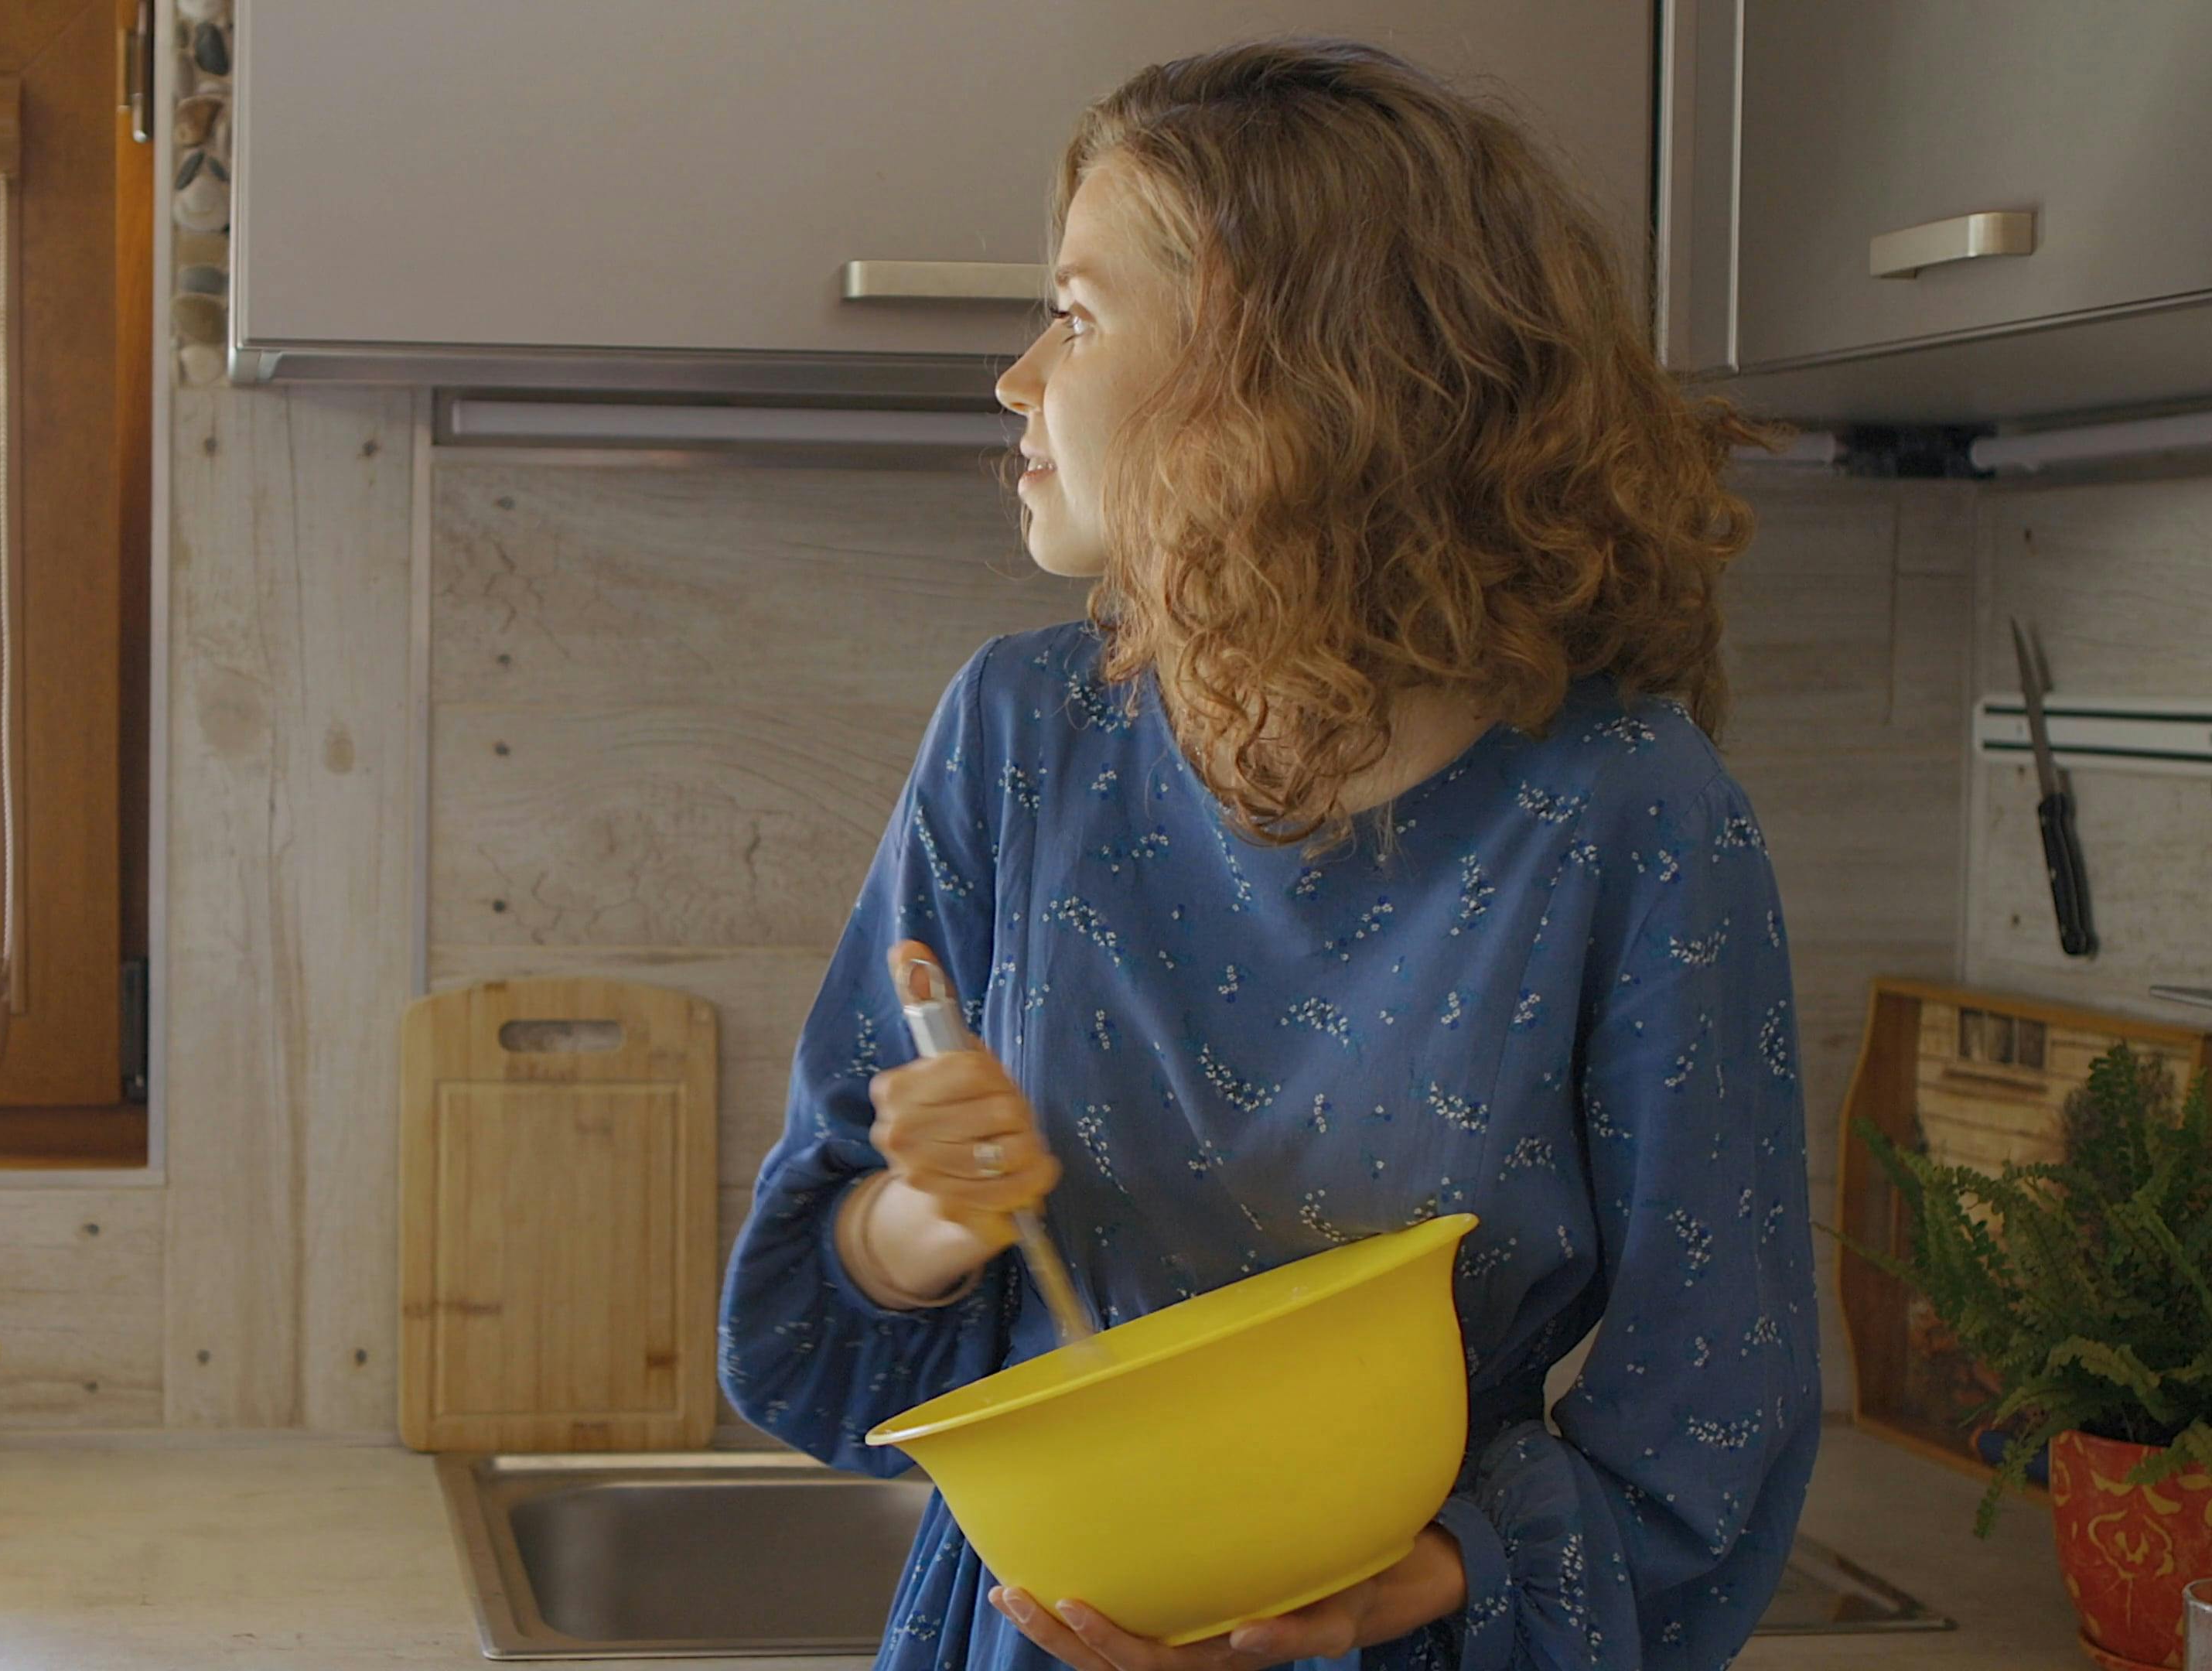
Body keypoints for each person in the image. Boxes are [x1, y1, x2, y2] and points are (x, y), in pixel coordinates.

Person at [720, 37, 1818, 1671]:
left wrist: (1404, 1589)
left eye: (1078, 317)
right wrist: (934, 1212)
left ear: (1294, 376)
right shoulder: (1021, 735)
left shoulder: (1633, 813)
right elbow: (819, 1317)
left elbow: (1715, 1404)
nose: (1017, 376)